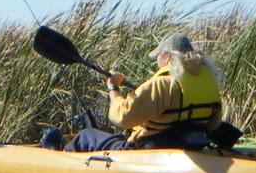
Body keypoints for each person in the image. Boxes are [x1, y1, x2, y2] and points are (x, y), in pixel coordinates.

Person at [63, 33, 223, 152]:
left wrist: (113, 88)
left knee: (86, 136)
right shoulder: (209, 82)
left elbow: (122, 117)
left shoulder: (161, 84)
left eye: (158, 56)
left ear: (167, 57)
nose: (157, 61)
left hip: (151, 150)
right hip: (190, 147)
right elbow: (213, 124)